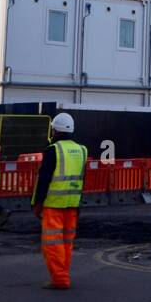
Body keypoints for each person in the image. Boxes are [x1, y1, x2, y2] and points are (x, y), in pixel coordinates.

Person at [31, 113, 88, 290]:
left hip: (54, 204)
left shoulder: (53, 150)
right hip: (72, 204)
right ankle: (62, 274)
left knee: (52, 243)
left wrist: (37, 203)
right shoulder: (82, 150)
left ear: (55, 130)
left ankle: (60, 278)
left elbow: (44, 179)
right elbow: (81, 178)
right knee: (66, 243)